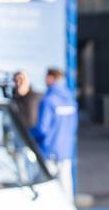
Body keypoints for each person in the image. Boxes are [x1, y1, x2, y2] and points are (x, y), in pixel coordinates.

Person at [33, 68, 78, 197]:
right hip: (65, 151)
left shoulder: (48, 100)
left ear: (51, 78)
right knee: (66, 187)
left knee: (44, 187)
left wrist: (29, 135)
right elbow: (73, 126)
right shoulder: (70, 99)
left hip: (49, 150)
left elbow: (42, 129)